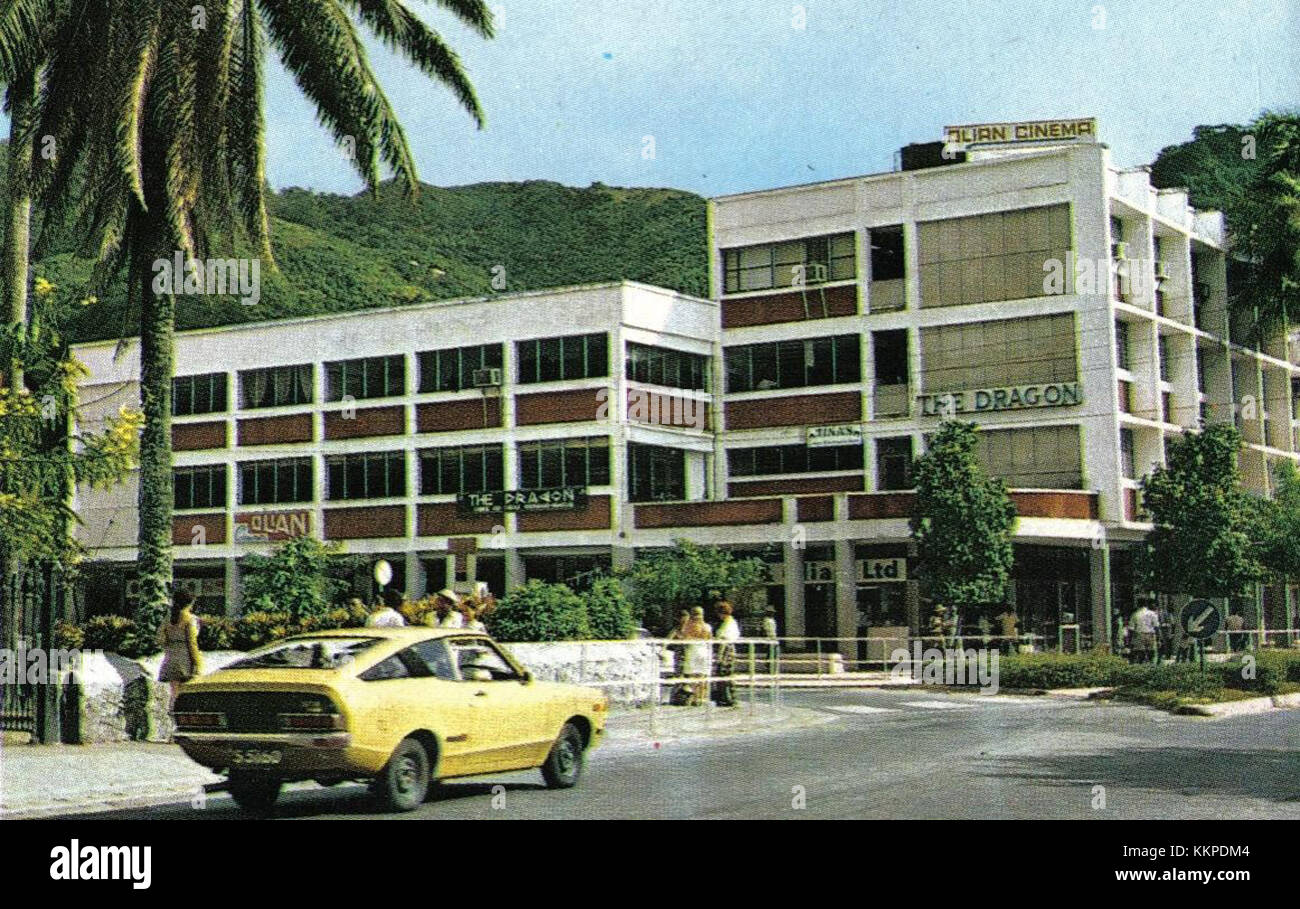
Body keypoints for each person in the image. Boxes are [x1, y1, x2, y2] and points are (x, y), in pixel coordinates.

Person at [158, 590, 203, 706]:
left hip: (170, 657)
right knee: (185, 692)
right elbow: (192, 643)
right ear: (189, 603)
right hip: (185, 658)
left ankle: (171, 711)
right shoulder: (190, 619)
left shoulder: (168, 617)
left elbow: (159, 638)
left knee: (174, 691)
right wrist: (197, 663)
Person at [681, 606, 713, 706]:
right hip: (704, 651)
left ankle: (695, 697)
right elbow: (710, 640)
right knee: (703, 676)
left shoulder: (688, 626)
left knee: (693, 676)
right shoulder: (707, 626)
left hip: (693, 651)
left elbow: (684, 639)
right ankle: (702, 698)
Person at [711, 601, 740, 707]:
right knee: (727, 675)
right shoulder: (732, 622)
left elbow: (723, 640)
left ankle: (726, 698)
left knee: (723, 674)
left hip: (725, 651)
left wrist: (719, 656)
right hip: (730, 650)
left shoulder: (727, 624)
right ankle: (729, 697)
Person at [664, 609, 691, 705]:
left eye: (687, 618)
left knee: (688, 676)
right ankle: (676, 699)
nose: (685, 620)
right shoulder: (676, 629)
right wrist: (663, 649)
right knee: (679, 675)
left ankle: (686, 699)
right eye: (683, 618)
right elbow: (668, 639)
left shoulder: (690, 629)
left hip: (689, 655)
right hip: (679, 655)